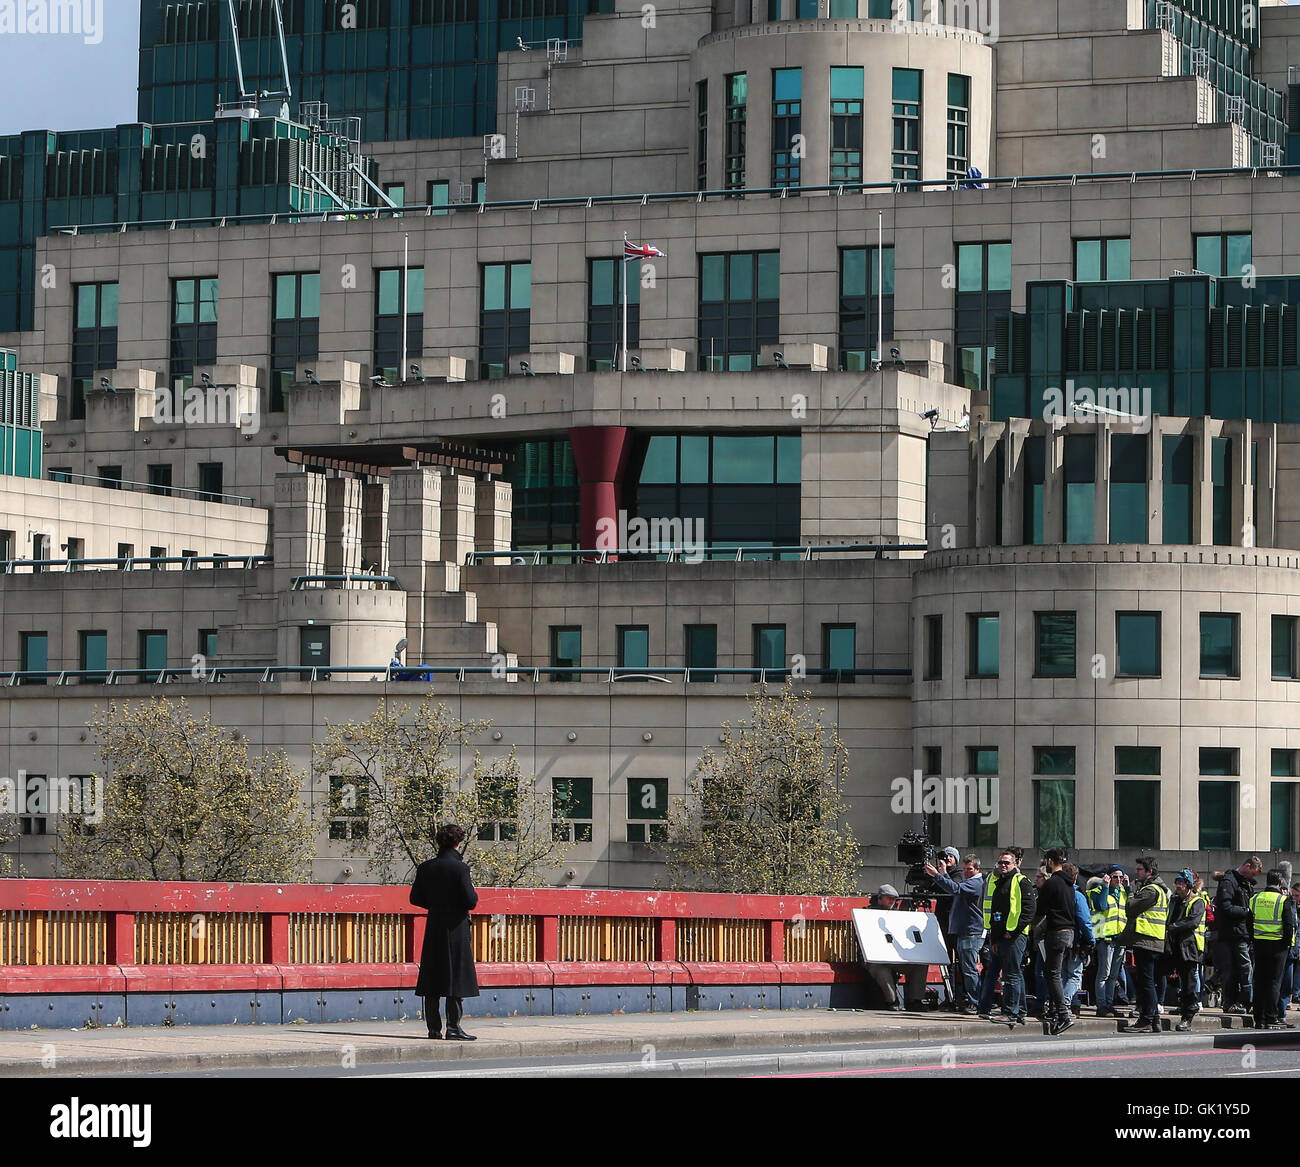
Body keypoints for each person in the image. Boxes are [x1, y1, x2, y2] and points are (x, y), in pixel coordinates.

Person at [410, 823, 480, 1040]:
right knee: (455, 979)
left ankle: (433, 1029)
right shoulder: (461, 868)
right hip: (456, 928)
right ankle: (453, 1027)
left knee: (433, 977)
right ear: (458, 843)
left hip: (434, 927)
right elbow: (470, 900)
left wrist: (435, 905)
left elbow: (415, 898)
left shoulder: (425, 868)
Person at [977, 849, 1037, 1026]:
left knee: (1011, 975)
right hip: (1000, 936)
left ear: (1015, 864)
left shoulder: (1021, 881)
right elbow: (995, 913)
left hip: (1014, 936)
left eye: (1007, 863)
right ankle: (1020, 1011)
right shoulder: (998, 882)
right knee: (1014, 974)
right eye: (1001, 862)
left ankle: (1010, 1012)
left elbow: (1029, 910)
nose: (1003, 865)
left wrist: (1014, 930)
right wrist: (995, 938)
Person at [923, 852, 985, 1013]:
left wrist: (937, 875)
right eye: (964, 868)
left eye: (969, 869)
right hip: (964, 930)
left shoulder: (976, 883)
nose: (965, 871)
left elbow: (955, 889)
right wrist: (943, 873)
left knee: (969, 969)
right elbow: (955, 889)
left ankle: (976, 1001)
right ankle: (971, 1000)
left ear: (977, 869)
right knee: (965, 968)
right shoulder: (970, 882)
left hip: (971, 931)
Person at [1119, 855, 1170, 1034]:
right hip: (1150, 940)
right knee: (1147, 981)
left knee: (1146, 982)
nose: (1136, 872)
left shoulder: (1151, 890)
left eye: (1140, 869)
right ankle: (1154, 1019)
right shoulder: (1157, 889)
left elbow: (1131, 907)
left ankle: (1146, 1019)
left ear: (1149, 872)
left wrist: (1130, 891)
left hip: (1147, 940)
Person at [1032, 849, 1078, 1035]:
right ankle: (1057, 1012)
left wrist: (1030, 927)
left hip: (1056, 932)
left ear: (1050, 861)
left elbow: (1040, 910)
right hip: (1068, 932)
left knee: (1052, 974)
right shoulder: (1069, 884)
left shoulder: (1052, 883)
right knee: (1056, 973)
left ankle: (1062, 1014)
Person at [866, 885, 929, 1010]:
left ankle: (915, 1000)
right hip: (875, 959)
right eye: (888, 898)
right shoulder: (867, 914)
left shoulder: (898, 915)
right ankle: (892, 1001)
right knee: (881, 970)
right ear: (879, 897)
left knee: (920, 964)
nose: (892, 901)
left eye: (894, 899)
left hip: (895, 957)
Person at [1249, 868, 1298, 1031]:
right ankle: (1271, 1017)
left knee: (1259, 981)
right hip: (1278, 946)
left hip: (1259, 944)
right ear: (1279, 883)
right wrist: (1287, 944)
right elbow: (1289, 925)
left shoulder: (1255, 898)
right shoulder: (1284, 900)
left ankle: (1259, 1018)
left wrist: (1254, 939)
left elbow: (1249, 922)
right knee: (1274, 982)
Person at [1214, 855, 1262, 1015]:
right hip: (1233, 933)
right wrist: (1246, 912)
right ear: (1247, 866)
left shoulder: (1242, 883)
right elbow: (1225, 907)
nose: (1252, 877)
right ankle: (1242, 1001)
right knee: (1240, 969)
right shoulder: (1229, 882)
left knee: (1240, 969)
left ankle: (1240, 1001)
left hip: (1241, 933)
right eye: (1252, 873)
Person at [1165, 870, 1207, 1032]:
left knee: (1189, 983)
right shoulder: (1174, 900)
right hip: (1174, 946)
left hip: (1190, 948)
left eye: (1182, 882)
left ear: (1189, 884)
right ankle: (1181, 1006)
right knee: (1164, 977)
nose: (1178, 885)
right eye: (1177, 882)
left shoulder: (1197, 901)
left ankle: (1187, 1016)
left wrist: (1172, 928)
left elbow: (1192, 922)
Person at [1087, 865, 1129, 1017]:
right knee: (1103, 974)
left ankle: (1109, 1004)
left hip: (1120, 938)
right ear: (1108, 877)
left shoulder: (1123, 892)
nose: (1118, 880)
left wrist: (1128, 888)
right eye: (1115, 876)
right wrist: (1105, 887)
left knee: (1113, 975)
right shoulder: (1097, 891)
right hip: (1106, 938)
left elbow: (1128, 909)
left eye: (1120, 877)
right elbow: (1101, 906)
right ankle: (1101, 1005)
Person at [1061, 862, 1094, 1017]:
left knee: (1061, 974)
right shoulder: (1077, 896)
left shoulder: (1056, 892)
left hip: (1056, 938)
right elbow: (1085, 921)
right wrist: (1090, 940)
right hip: (1074, 940)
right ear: (1075, 878)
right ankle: (1064, 1004)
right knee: (1074, 974)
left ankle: (1057, 1003)